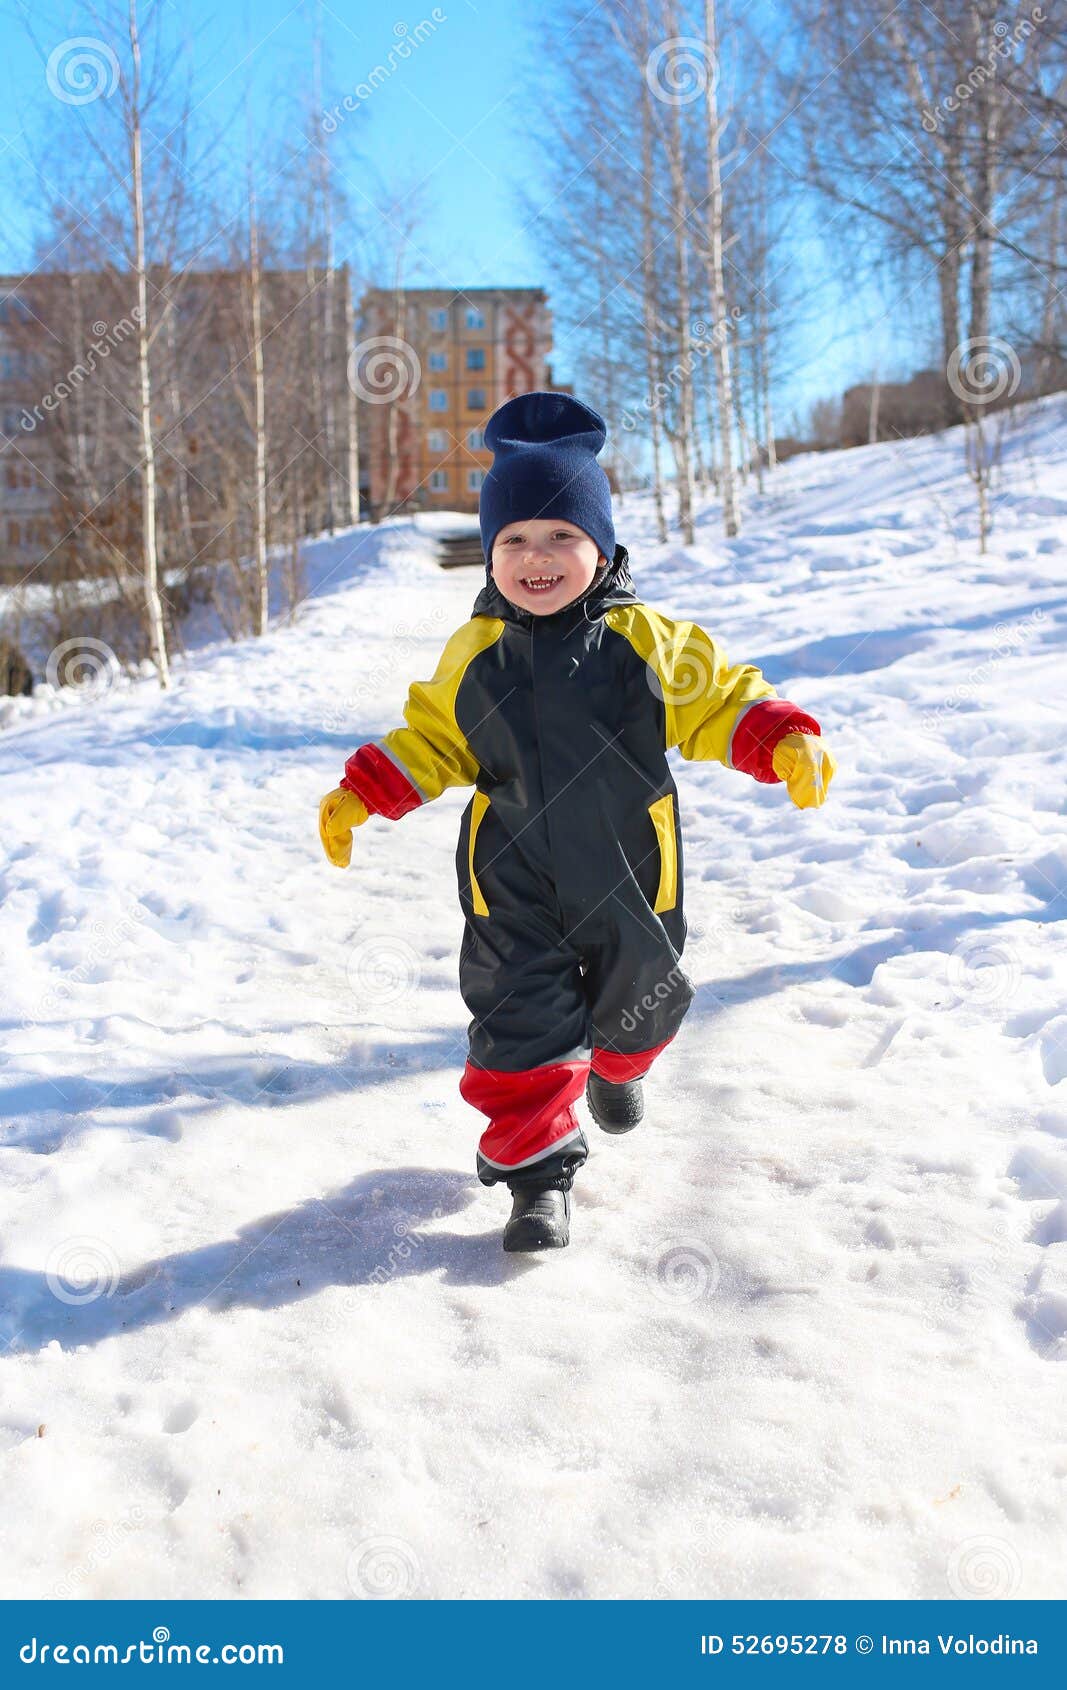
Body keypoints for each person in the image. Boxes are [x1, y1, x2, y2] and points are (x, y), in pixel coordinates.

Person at [319, 392, 836, 1254]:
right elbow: (434, 738)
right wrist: (364, 791)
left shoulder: (645, 639)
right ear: (490, 555)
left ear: (601, 546)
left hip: (631, 875)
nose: (537, 556)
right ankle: (537, 1182)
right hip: (511, 880)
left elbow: (717, 699)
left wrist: (779, 738)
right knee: (516, 1025)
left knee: (643, 1005)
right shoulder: (476, 652)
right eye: (514, 539)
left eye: (562, 534)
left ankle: (618, 1065)